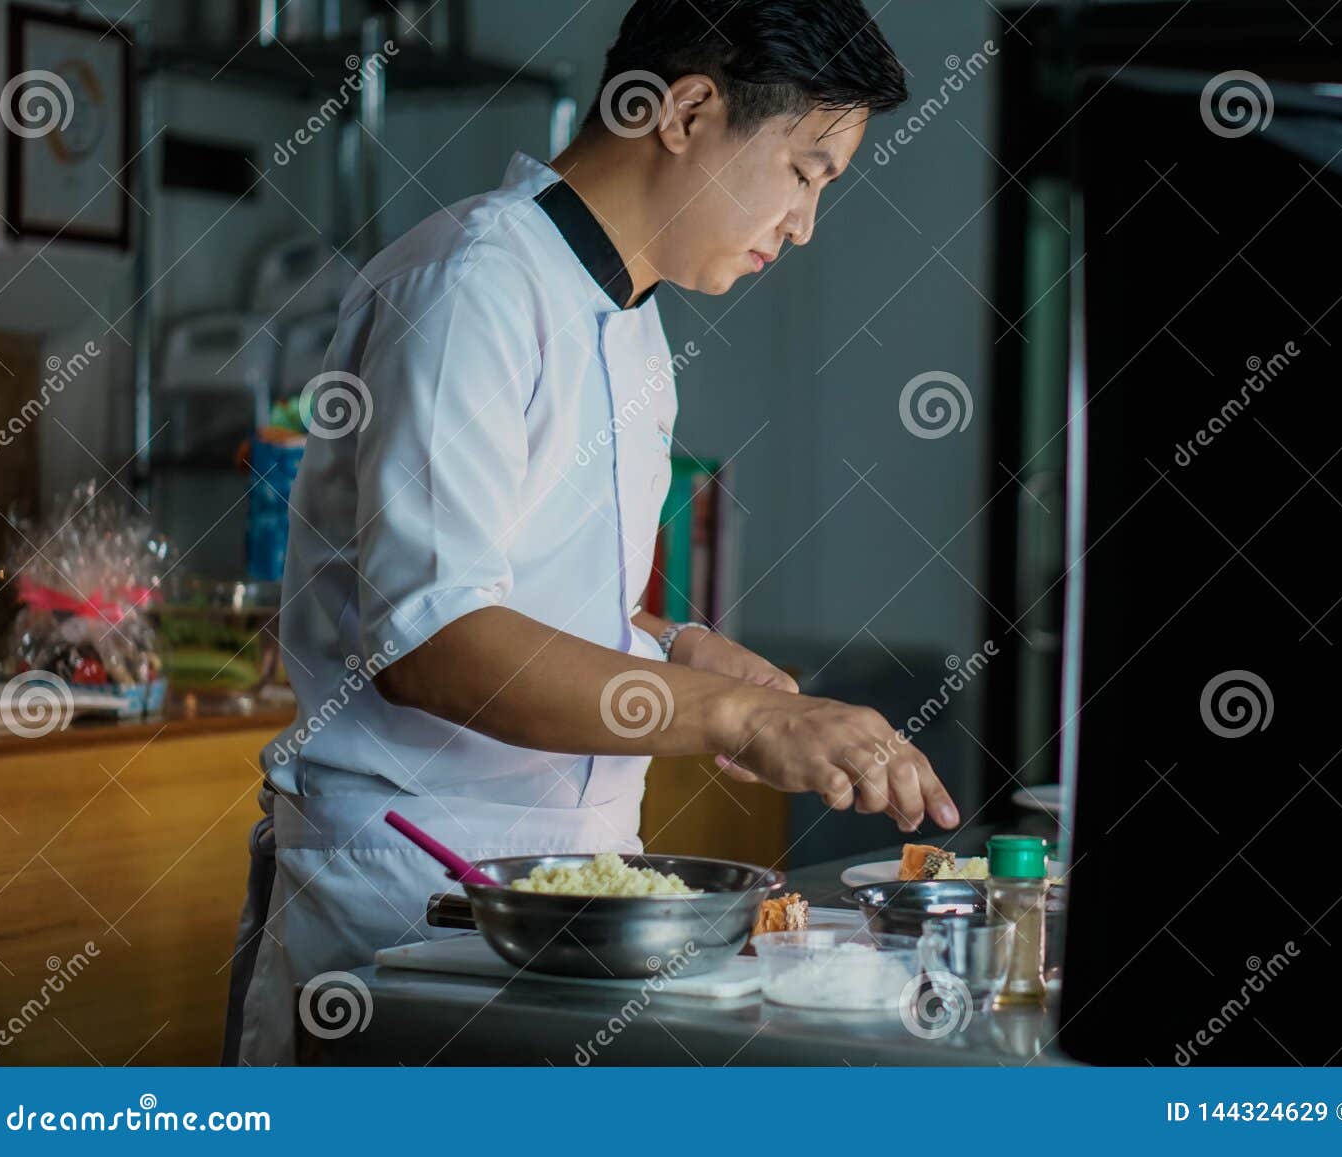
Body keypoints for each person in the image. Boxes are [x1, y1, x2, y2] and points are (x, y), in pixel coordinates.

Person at [228, 0, 958, 1065]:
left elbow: (519, 581)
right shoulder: (472, 282)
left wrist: (673, 646)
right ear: (691, 110)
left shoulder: (630, 318)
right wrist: (735, 723)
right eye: (805, 172)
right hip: (416, 880)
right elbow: (432, 640)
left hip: (572, 879)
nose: (803, 224)